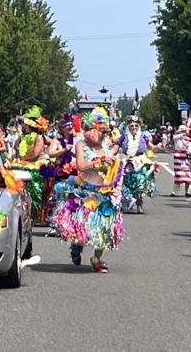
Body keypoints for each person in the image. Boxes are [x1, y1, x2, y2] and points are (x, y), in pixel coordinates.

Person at [54, 108, 124, 273]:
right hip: (86, 191)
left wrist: (114, 164)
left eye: (106, 131)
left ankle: (97, 258)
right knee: (84, 228)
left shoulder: (106, 145)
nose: (104, 134)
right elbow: (80, 166)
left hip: (105, 192)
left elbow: (114, 162)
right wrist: (98, 161)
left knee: (105, 227)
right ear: (92, 130)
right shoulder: (81, 145)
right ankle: (77, 246)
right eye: (101, 131)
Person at [116, 116, 155, 213]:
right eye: (132, 126)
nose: (134, 128)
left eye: (136, 126)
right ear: (128, 127)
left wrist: (160, 147)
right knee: (126, 183)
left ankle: (139, 203)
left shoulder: (143, 137)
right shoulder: (123, 137)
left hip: (139, 162)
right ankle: (127, 203)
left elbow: (151, 147)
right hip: (126, 161)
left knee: (140, 182)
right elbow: (115, 147)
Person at [172, 125, 191, 197]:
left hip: (186, 158)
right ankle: (174, 191)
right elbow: (174, 137)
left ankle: (186, 192)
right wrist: (181, 133)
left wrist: (190, 155)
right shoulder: (177, 138)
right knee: (178, 175)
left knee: (187, 175)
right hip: (178, 158)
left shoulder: (188, 140)